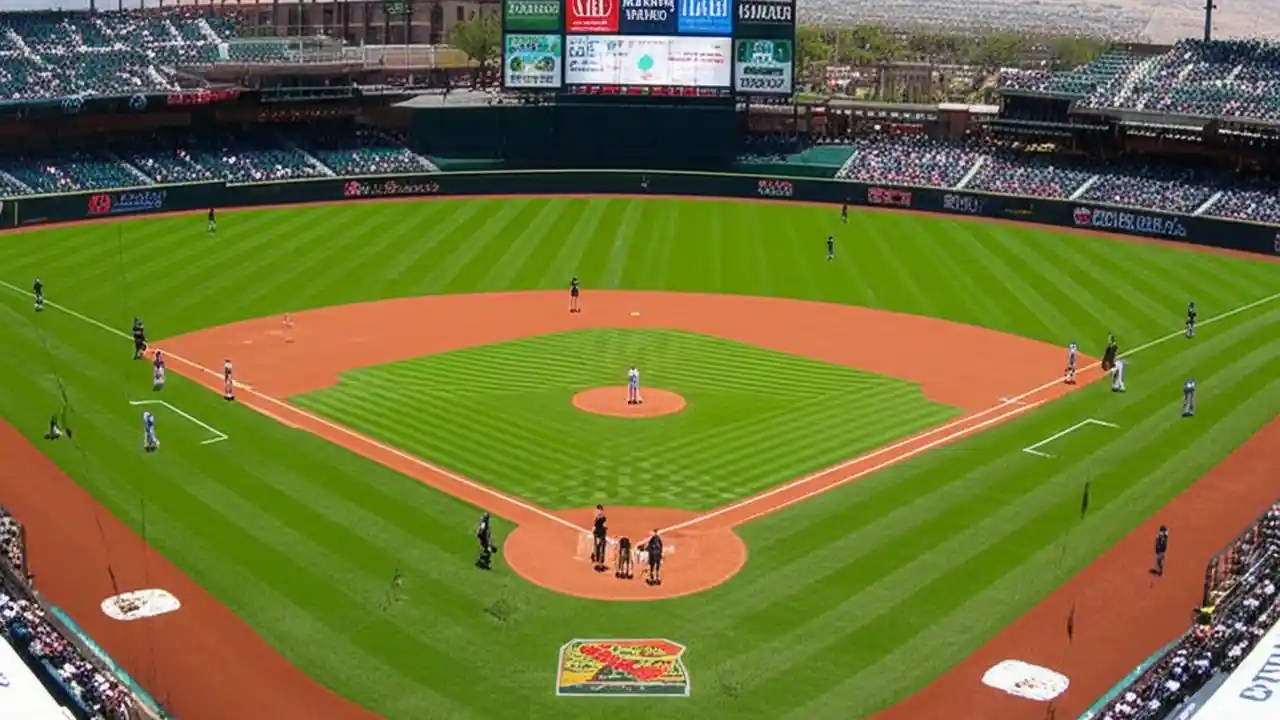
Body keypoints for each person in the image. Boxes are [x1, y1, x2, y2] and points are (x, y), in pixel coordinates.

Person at [591, 505, 607, 570]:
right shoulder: (597, 517)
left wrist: (605, 528)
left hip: (602, 534)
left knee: (602, 548)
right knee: (597, 547)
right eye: (598, 510)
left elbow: (605, 524)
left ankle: (601, 563)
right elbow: (595, 522)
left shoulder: (604, 518)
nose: (600, 511)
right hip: (597, 534)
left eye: (601, 510)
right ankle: (596, 562)